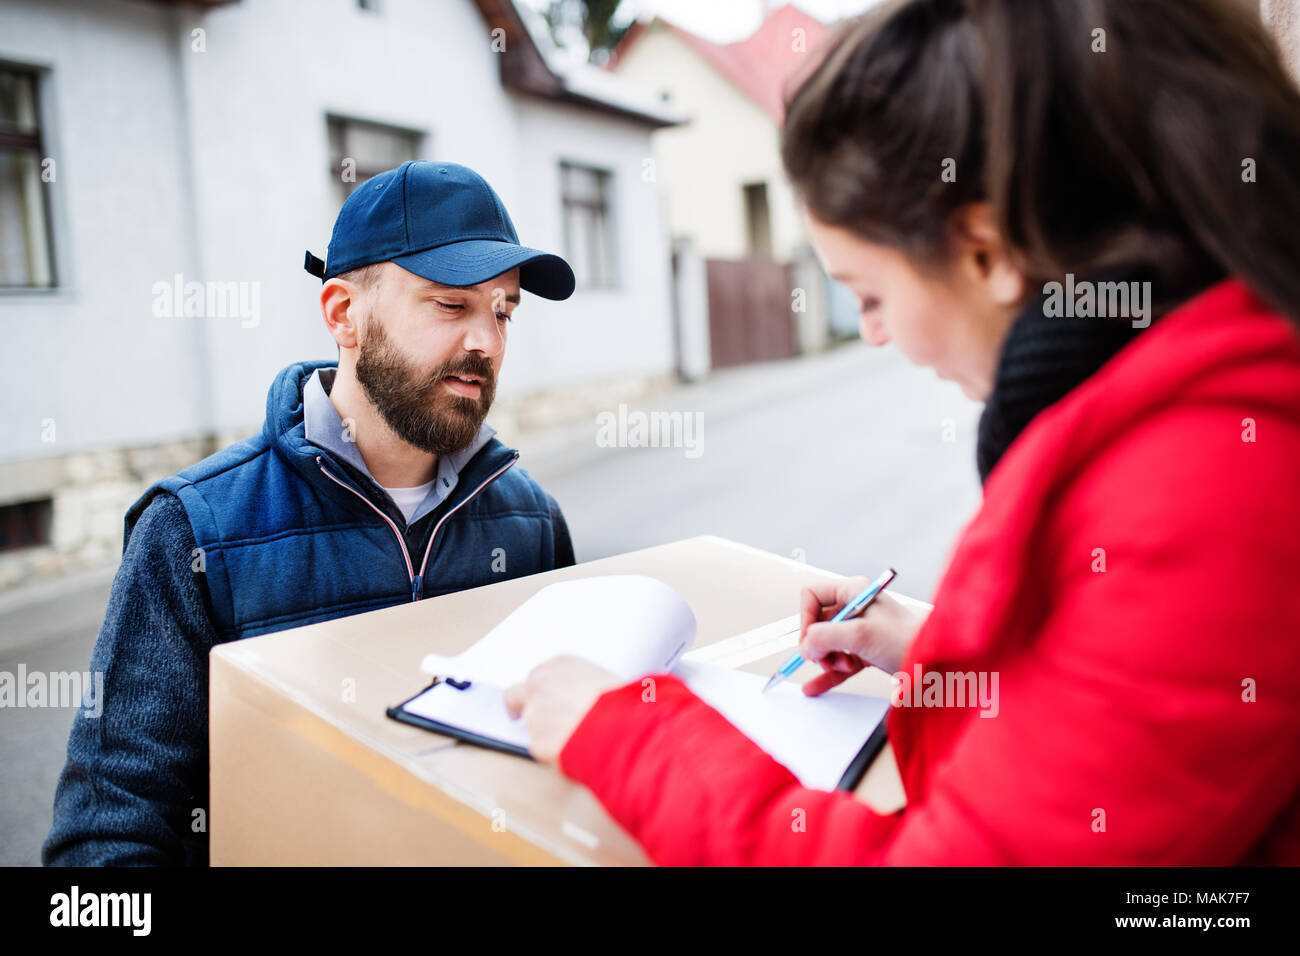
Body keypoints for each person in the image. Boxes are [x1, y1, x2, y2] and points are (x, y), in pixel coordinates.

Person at [503, 0, 1300, 864]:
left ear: (987, 254)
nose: (872, 334)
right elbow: (1110, 713)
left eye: (871, 295)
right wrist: (940, 654)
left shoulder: (1208, 491)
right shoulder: (1189, 403)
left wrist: (625, 736)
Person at [44, 161, 578, 865]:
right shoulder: (195, 532)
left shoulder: (532, 525)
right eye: (452, 305)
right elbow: (108, 838)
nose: (487, 342)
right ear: (341, 314)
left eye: (503, 310)